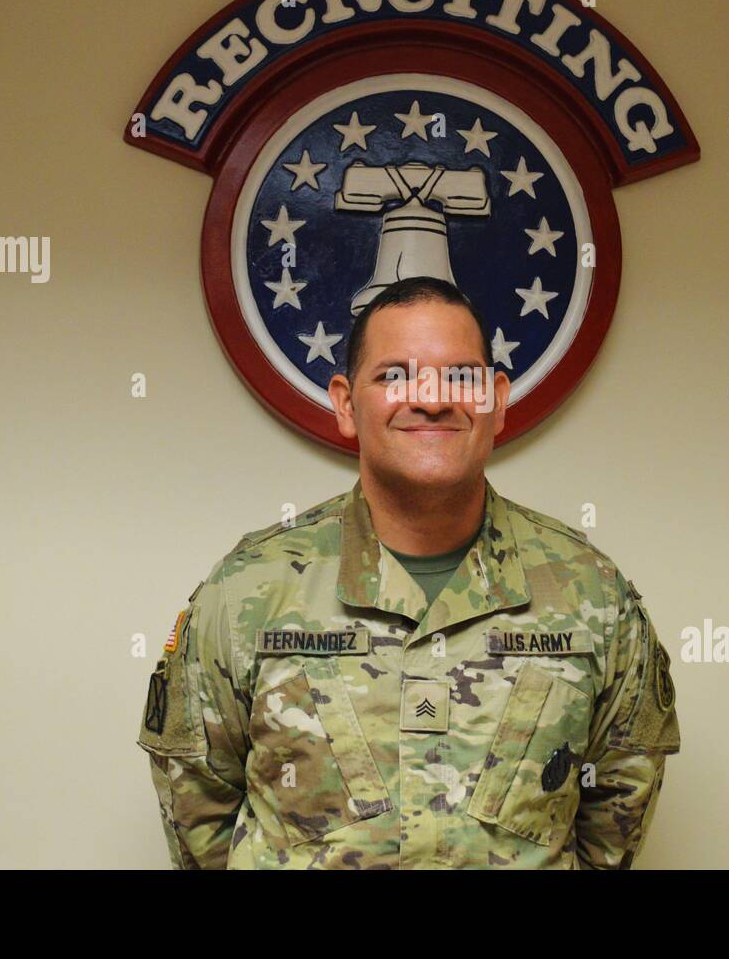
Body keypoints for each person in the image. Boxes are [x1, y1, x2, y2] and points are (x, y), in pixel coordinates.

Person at [136, 276, 680, 869]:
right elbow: (199, 809)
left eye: (460, 376)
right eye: (395, 375)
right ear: (346, 402)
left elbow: (616, 815)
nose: (431, 398)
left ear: (496, 399)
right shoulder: (248, 591)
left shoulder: (593, 595)